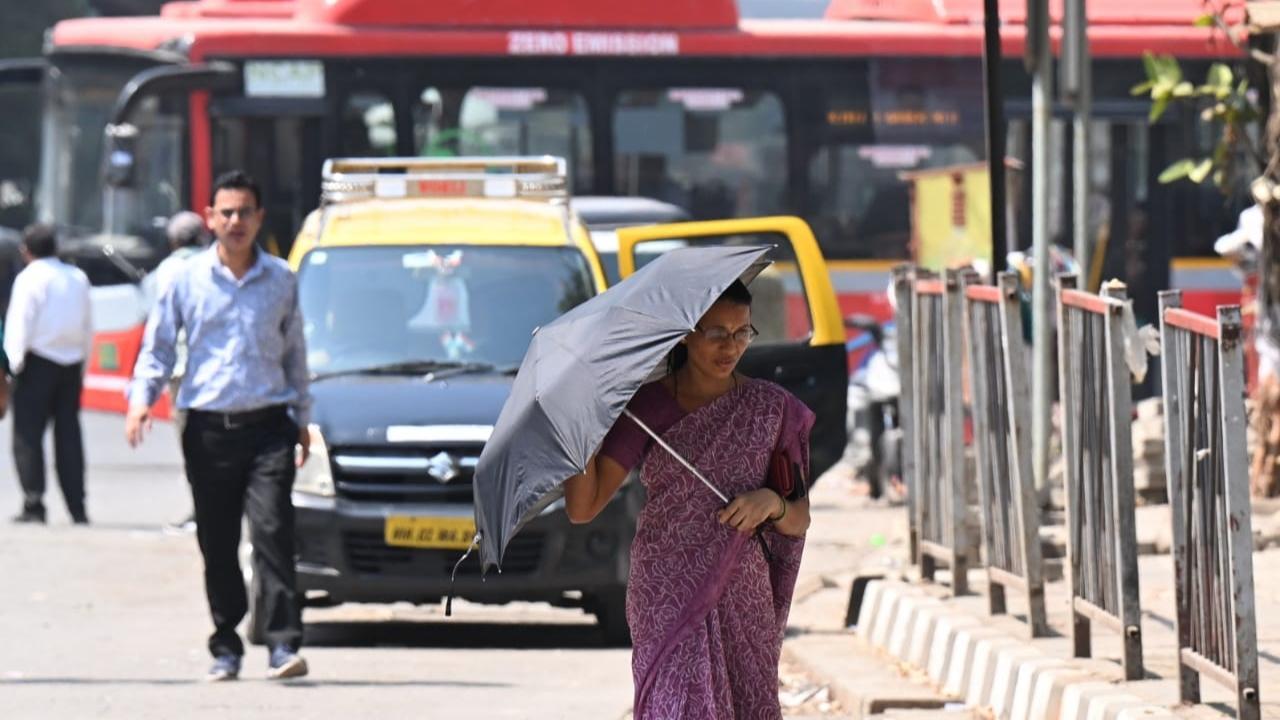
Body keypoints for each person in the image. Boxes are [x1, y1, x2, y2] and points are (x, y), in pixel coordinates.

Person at [564, 280, 813, 719]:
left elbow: (799, 519)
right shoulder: (647, 407)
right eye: (716, 333)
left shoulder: (769, 409)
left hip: (742, 592)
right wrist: (577, 424)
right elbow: (583, 507)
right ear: (685, 333)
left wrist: (770, 504)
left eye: (742, 333)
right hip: (666, 590)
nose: (730, 347)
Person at [124, 170, 313, 682]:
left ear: (259, 218)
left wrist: (302, 416)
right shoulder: (183, 281)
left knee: (274, 530)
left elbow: (295, 351)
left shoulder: (281, 279)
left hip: (270, 425)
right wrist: (140, 401)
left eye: (244, 212)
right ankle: (226, 644)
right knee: (218, 538)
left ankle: (281, 645)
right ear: (209, 218)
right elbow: (159, 346)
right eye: (225, 212)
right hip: (207, 429)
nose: (235, 222)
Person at [3, 224, 92, 525]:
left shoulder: (29, 279)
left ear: (26, 251)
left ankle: (34, 503)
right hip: (70, 366)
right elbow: (88, 325)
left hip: (36, 364)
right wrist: (83, 365)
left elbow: (20, 325)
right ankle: (77, 507)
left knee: (27, 436)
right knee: (69, 437)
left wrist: (12, 367)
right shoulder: (77, 277)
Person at [143, 210, 211, 533]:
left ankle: (203, 507)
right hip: (214, 366)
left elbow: (155, 325)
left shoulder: (166, 270)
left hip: (181, 371)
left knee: (191, 440)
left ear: (172, 241)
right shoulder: (217, 261)